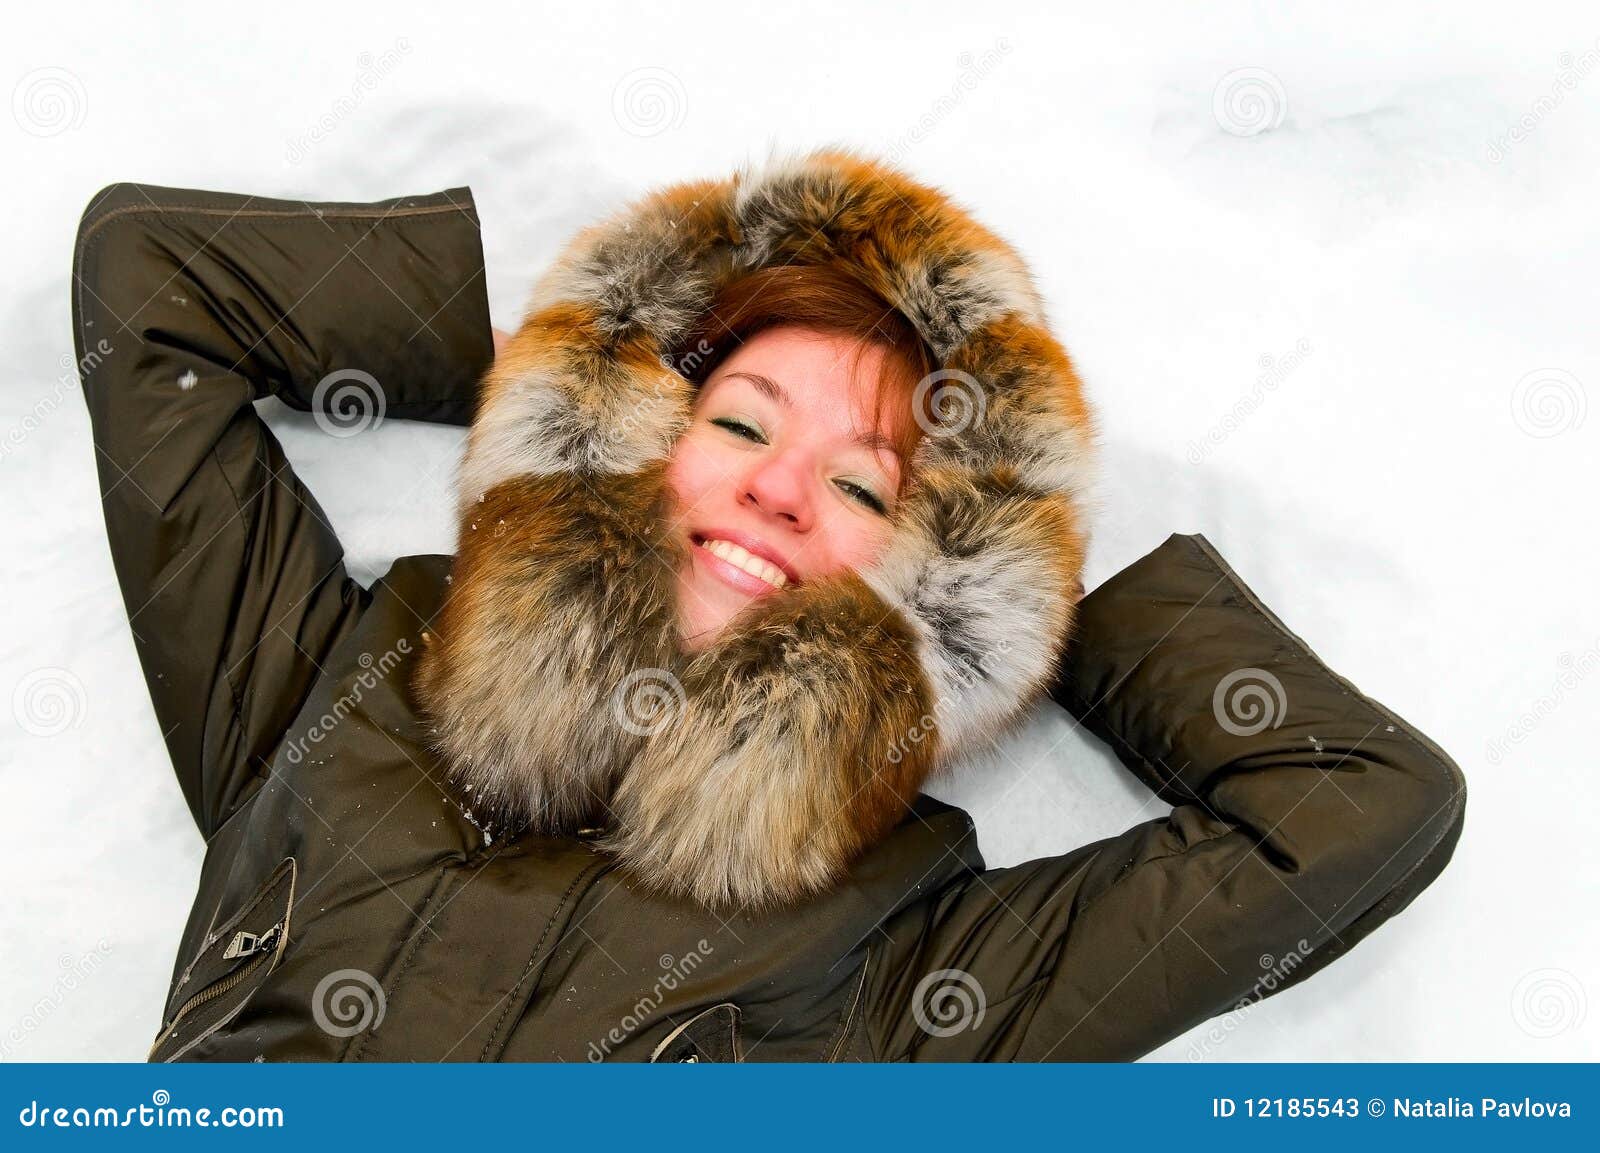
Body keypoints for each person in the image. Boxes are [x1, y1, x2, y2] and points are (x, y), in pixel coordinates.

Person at [73, 149, 1466, 1063]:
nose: (784, 490)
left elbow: (1353, 802)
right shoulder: (346, 681)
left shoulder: (901, 952)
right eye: (738, 421)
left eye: (865, 493)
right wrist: (537, 373)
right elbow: (151, 287)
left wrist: (1006, 593)